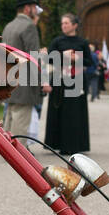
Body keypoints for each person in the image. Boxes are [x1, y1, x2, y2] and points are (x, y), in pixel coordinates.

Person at [40, 13, 90, 153]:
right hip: (59, 79)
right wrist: (63, 56)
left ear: (75, 25)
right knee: (58, 111)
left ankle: (75, 145)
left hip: (77, 80)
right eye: (62, 23)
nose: (64, 26)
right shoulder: (57, 41)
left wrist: (76, 59)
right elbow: (49, 59)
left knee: (74, 114)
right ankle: (57, 143)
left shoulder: (82, 42)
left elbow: (89, 62)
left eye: (67, 23)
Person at [0, 0, 44, 144]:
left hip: (9, 80)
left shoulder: (9, 26)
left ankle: (6, 149)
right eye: (34, 7)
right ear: (27, 8)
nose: (36, 10)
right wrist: (40, 84)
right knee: (20, 121)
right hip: (24, 83)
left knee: (10, 117)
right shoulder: (29, 26)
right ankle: (16, 153)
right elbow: (34, 58)